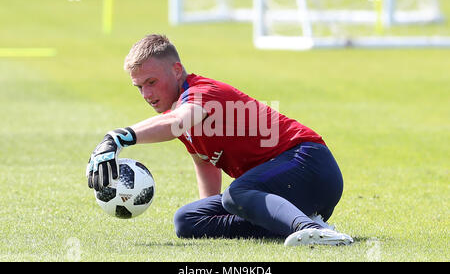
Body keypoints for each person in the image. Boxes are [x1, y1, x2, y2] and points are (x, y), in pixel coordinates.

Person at [86, 34, 353, 246]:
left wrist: (119, 138)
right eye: (139, 86)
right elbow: (205, 164)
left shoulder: (203, 92)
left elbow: (179, 120)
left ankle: (311, 228)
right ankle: (295, 222)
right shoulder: (179, 109)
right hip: (285, 187)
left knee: (237, 193)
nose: (146, 93)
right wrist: (209, 211)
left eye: (151, 81)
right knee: (187, 220)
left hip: (310, 165)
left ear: (177, 70)